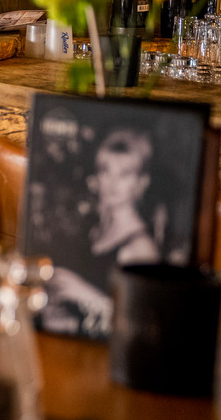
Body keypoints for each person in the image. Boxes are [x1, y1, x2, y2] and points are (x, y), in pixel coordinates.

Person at [41, 128, 161, 338]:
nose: (112, 182)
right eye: (106, 171)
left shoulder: (138, 247)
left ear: (142, 182)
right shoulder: (95, 228)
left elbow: (144, 327)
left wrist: (82, 293)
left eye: (124, 174)